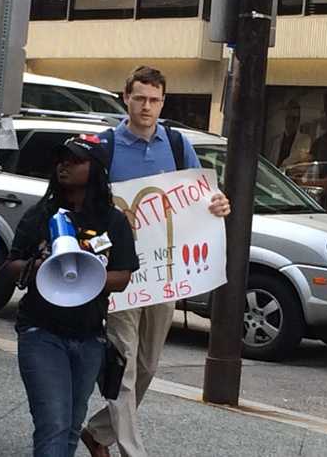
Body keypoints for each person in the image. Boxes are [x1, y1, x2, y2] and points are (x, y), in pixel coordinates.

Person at [82, 66, 230, 457]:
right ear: (125, 98)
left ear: (163, 102)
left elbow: (201, 195)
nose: (146, 106)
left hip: (165, 271)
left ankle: (98, 431)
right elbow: (88, 206)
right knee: (125, 363)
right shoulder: (106, 147)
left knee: (147, 365)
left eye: (154, 100)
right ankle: (133, 450)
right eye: (139, 98)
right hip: (120, 273)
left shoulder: (178, 145)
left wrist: (219, 203)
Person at [9, 134, 137, 457]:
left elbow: (123, 276)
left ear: (95, 170)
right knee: (53, 422)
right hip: (41, 332)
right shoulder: (41, 215)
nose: (63, 165)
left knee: (69, 427)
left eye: (75, 160)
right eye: (61, 159)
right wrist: (35, 265)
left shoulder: (113, 221)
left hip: (90, 337)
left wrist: (87, 278)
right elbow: (10, 265)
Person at [266, 98, 310, 168]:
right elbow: (271, 163)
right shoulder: (276, 141)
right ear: (286, 118)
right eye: (291, 118)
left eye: (296, 118)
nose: (294, 121)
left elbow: (299, 161)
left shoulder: (304, 139)